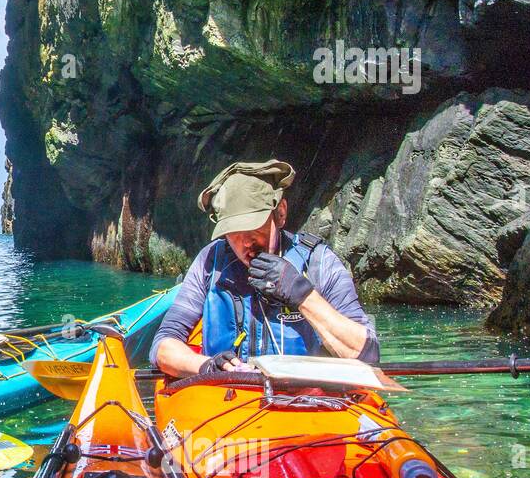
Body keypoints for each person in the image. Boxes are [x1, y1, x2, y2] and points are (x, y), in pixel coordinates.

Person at [150, 160, 379, 378]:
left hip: (305, 397)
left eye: (253, 228)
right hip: (226, 394)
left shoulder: (319, 262)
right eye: (233, 233)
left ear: (280, 214)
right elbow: (162, 346)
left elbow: (367, 353)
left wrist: (302, 294)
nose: (245, 243)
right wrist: (207, 366)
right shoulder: (210, 261)